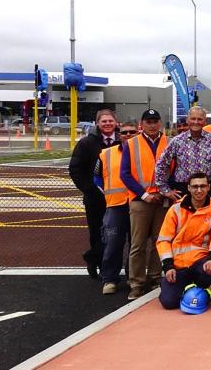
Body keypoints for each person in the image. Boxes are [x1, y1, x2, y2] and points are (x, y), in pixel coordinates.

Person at [156, 172, 211, 309]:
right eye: (195, 186)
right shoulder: (175, 209)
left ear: (208, 187)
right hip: (178, 264)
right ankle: (186, 287)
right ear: (188, 188)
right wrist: (168, 266)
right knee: (168, 302)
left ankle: (201, 289)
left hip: (201, 261)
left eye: (203, 186)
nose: (199, 190)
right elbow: (163, 240)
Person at [120, 109, 170, 300]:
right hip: (140, 200)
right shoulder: (132, 143)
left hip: (162, 199)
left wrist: (165, 191)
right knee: (138, 244)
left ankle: (155, 277)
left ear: (160, 123)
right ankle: (136, 283)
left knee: (160, 241)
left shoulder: (169, 142)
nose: (152, 125)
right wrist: (144, 194)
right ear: (142, 124)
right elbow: (125, 174)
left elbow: (174, 170)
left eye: (155, 121)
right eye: (148, 121)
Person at [69, 109, 119, 278]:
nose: (107, 124)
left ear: (116, 122)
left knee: (115, 234)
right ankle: (97, 261)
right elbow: (75, 169)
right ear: (97, 123)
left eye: (110, 121)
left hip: (118, 198)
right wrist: (90, 190)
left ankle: (106, 264)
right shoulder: (86, 143)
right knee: (97, 234)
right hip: (95, 198)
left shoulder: (123, 141)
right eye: (104, 121)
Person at [95, 122, 138, 294]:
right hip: (115, 205)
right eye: (124, 132)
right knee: (112, 243)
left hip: (138, 204)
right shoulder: (106, 154)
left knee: (136, 245)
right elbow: (97, 178)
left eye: (132, 132)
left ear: (138, 133)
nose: (128, 135)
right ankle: (109, 279)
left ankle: (133, 278)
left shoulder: (143, 153)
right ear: (119, 135)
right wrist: (106, 194)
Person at [155, 106, 211, 203]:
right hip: (183, 188)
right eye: (193, 119)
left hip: (207, 188)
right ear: (187, 120)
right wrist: (165, 190)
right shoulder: (177, 141)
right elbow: (161, 164)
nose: (196, 122)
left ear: (205, 121)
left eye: (200, 119)